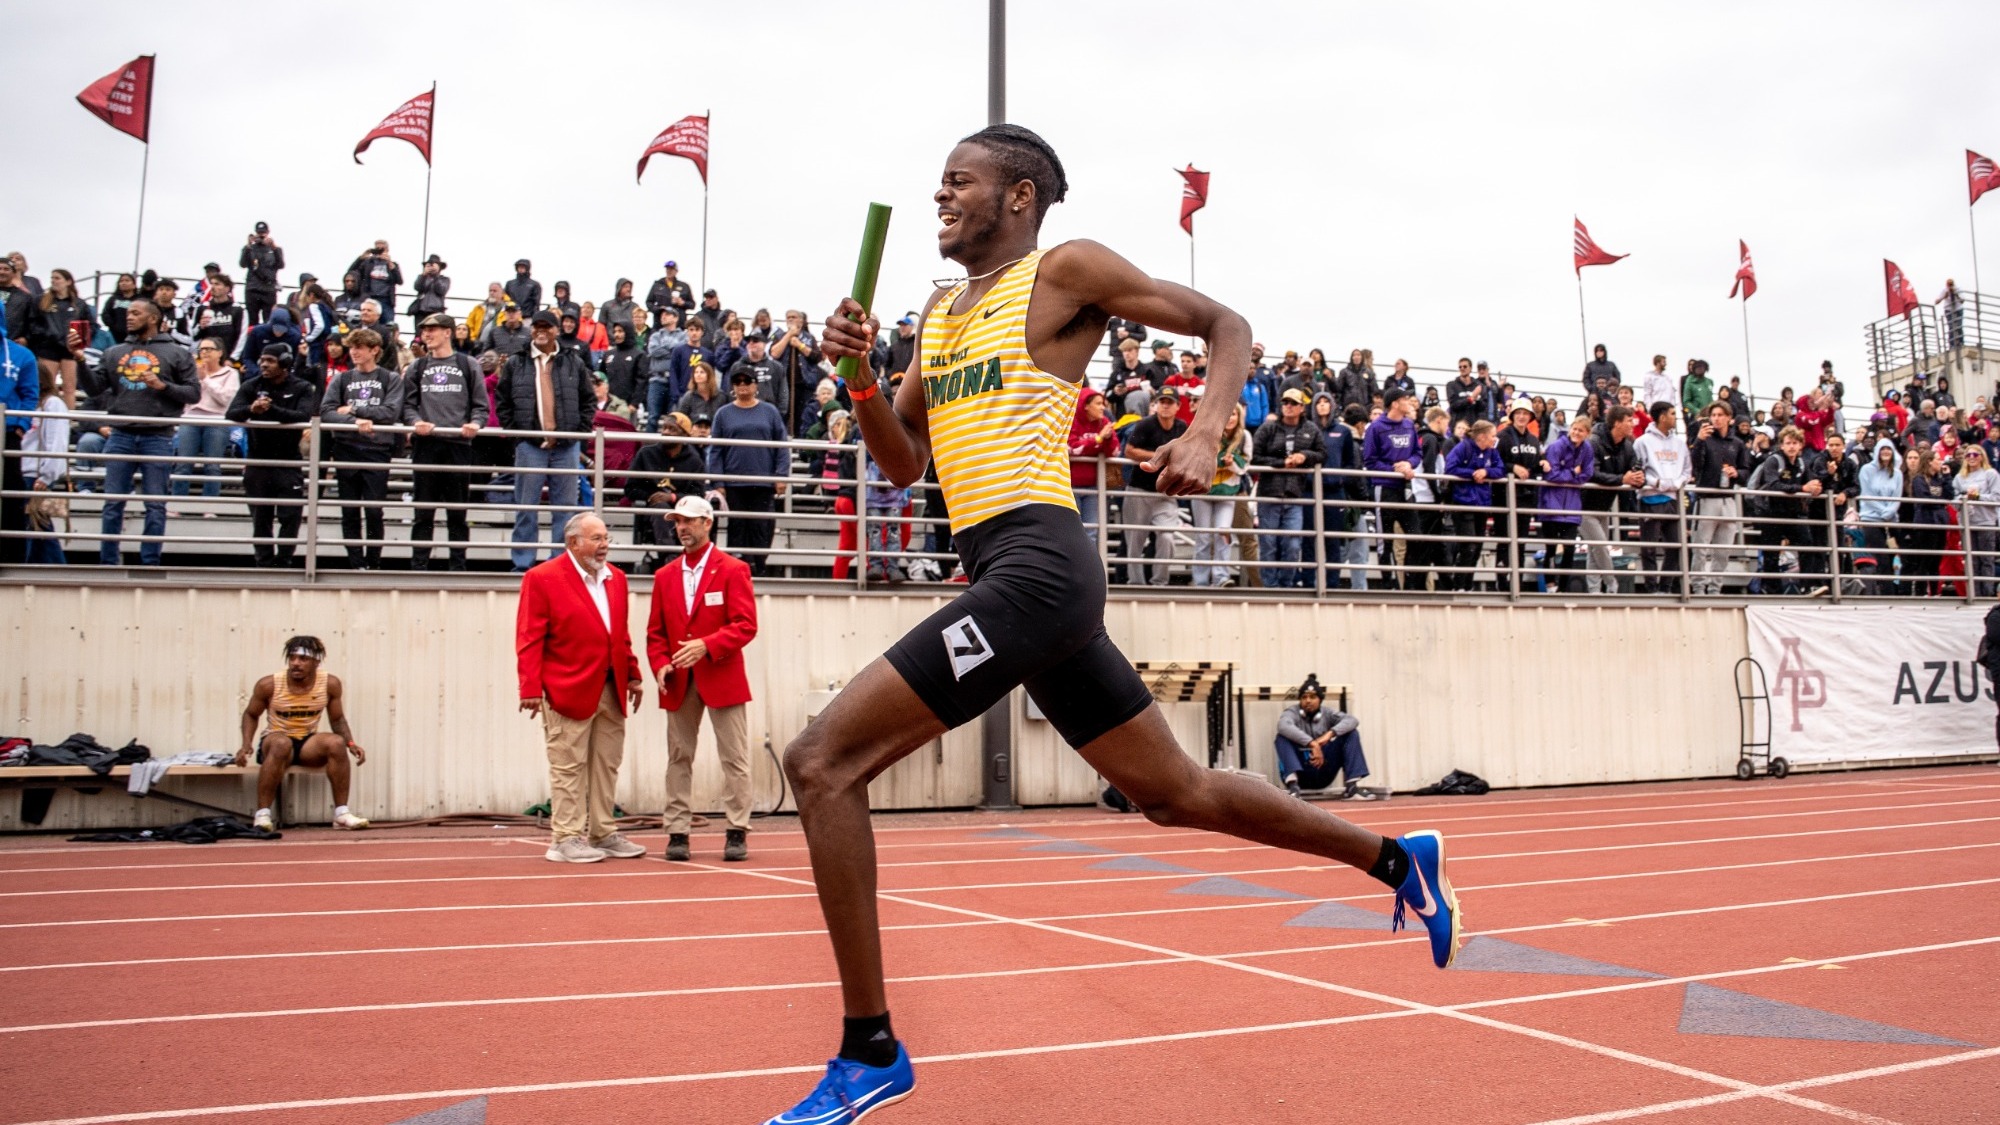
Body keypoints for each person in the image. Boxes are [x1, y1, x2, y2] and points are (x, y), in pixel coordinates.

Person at [776, 124, 1459, 1124]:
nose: (939, 198)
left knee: (820, 763)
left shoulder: (1064, 269)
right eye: (935, 187)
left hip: (1037, 566)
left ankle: (867, 1048)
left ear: (1019, 196)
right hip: (1012, 576)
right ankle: (1395, 858)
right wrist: (865, 380)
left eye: (958, 183)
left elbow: (1224, 323)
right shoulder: (936, 314)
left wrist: (1204, 425)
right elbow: (899, 465)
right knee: (1173, 793)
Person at [516, 513, 647, 863]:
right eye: (596, 538)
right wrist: (529, 687)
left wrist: (633, 673)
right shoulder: (541, 578)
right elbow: (529, 637)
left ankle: (603, 831)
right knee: (568, 765)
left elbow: (619, 633)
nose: (604, 545)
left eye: (606, 537)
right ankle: (566, 837)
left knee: (606, 764)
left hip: (611, 686)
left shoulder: (616, 579)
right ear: (573, 542)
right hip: (567, 688)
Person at [644, 495, 760, 861]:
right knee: (678, 757)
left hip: (721, 674)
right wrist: (660, 663)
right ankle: (677, 831)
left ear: (707, 523)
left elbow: (746, 625)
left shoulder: (732, 569)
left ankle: (737, 828)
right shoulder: (664, 576)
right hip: (678, 679)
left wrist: (707, 646)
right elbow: (655, 633)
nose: (681, 527)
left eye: (689, 521)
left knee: (734, 758)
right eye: (677, 521)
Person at [69, 300, 197, 565]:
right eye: (127, 313)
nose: (129, 317)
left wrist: (163, 386)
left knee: (155, 505)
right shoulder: (114, 351)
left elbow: (193, 393)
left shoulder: (177, 353)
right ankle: (108, 562)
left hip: (158, 436)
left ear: (153, 318)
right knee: (113, 503)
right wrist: (80, 360)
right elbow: (94, 389)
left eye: (136, 313)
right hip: (121, 435)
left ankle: (150, 563)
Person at [234, 636, 370, 831]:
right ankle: (262, 815)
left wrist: (351, 743)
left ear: (316, 662)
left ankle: (341, 814)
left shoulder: (329, 684)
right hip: (276, 740)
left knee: (336, 743)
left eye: (303, 659)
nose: (296, 663)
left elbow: (337, 719)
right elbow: (251, 714)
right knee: (282, 744)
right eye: (292, 658)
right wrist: (246, 744)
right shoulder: (269, 685)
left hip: (307, 743)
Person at [499, 311, 596, 572]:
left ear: (555, 330)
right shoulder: (515, 363)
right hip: (530, 446)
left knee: (565, 512)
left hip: (566, 447)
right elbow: (503, 401)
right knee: (525, 509)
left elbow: (588, 400)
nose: (540, 331)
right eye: (536, 327)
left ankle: (559, 566)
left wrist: (579, 431)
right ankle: (522, 565)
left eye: (546, 327)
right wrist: (518, 435)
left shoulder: (573, 361)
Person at [402, 313, 487, 570]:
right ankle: (418, 567)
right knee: (423, 512)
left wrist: (475, 424)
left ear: (448, 332)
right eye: (425, 330)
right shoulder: (417, 366)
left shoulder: (468, 364)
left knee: (457, 513)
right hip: (426, 444)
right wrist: (416, 422)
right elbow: (408, 406)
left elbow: (481, 406)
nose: (427, 334)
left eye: (433, 329)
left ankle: (458, 567)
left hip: (458, 445)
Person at [226, 345, 320, 568]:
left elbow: (303, 415)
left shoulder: (302, 387)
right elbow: (231, 413)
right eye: (261, 359)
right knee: (260, 517)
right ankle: (264, 563)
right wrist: (252, 409)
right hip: (258, 460)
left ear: (285, 363)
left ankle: (284, 560)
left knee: (291, 515)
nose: (264, 365)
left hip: (288, 460)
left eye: (270, 360)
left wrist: (271, 410)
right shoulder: (252, 385)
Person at [322, 329, 405, 570]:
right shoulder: (342, 379)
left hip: (377, 450)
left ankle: (374, 562)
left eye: (359, 347)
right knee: (349, 510)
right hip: (346, 448)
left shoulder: (390, 378)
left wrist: (356, 411)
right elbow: (327, 410)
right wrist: (353, 423)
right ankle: (355, 563)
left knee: (373, 510)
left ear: (374, 350)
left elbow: (391, 412)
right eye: (352, 348)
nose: (354, 352)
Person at [707, 365, 789, 576]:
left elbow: (781, 445)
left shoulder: (770, 412)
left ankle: (759, 567)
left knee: (762, 528)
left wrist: (781, 476)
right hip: (734, 483)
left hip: (763, 482)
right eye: (738, 382)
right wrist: (718, 482)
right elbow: (715, 450)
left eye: (747, 381)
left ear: (755, 385)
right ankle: (738, 570)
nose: (742, 386)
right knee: (737, 529)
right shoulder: (723, 414)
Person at [1250, 387, 1323, 588]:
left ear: (1302, 407)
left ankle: (1286, 584)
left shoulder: (1311, 429)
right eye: (1285, 403)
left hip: (1294, 494)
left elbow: (1322, 454)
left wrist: (1304, 456)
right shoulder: (1268, 428)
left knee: (1292, 544)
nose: (1288, 407)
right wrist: (1281, 463)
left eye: (1292, 403)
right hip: (1269, 493)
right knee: (1269, 544)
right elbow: (1254, 458)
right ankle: (1270, 587)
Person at [1121, 388, 1188, 586]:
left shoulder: (1181, 427)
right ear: (1156, 404)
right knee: (1135, 540)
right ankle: (1136, 583)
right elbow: (1129, 451)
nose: (1165, 405)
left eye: (1169, 402)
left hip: (1166, 492)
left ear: (1178, 406)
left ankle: (1160, 581)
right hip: (1139, 489)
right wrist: (1159, 456)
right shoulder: (1145, 424)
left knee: (1167, 536)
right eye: (1162, 401)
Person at [1274, 676, 1373, 799]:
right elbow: (1283, 725)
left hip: (1324, 771)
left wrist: (1328, 735)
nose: (1308, 700)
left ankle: (1352, 788)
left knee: (1351, 734)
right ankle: (1293, 788)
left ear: (1320, 700)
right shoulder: (1292, 712)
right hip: (1301, 775)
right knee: (1281, 738)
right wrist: (1312, 744)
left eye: (1313, 697)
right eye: (1304, 697)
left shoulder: (1328, 713)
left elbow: (1352, 720)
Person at [1687, 402, 1750, 596]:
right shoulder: (1704, 439)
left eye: (1720, 415)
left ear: (1729, 418)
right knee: (1701, 546)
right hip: (1706, 498)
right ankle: (1698, 587)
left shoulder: (1737, 443)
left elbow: (1747, 472)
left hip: (1728, 499)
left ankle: (1715, 588)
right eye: (1713, 414)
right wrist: (1698, 441)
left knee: (1723, 549)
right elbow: (1694, 465)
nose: (1716, 418)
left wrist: (1736, 473)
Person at [1362, 387, 1421, 589]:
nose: (1410, 402)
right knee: (1384, 541)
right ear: (1395, 403)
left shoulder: (1409, 425)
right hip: (1385, 488)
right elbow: (1369, 461)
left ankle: (1411, 585)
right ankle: (1388, 585)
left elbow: (1417, 453)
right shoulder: (1376, 428)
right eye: (1406, 399)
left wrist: (1409, 464)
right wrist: (1393, 470)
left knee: (1416, 536)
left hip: (1406, 489)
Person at [170, 339, 238, 504]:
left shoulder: (231, 373)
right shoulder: (190, 372)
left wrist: (206, 380)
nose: (205, 352)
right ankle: (177, 504)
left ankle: (209, 505)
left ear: (220, 353)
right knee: (183, 464)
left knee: (212, 466)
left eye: (209, 349)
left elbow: (227, 400)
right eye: (202, 349)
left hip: (217, 420)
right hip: (191, 418)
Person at [1582, 406, 1642, 594]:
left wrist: (1639, 478)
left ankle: (1594, 590)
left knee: (1594, 551)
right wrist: (1621, 480)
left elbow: (1635, 467)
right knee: (1600, 547)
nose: (1633, 424)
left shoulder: (1627, 445)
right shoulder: (1594, 442)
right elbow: (1593, 474)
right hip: (1584, 506)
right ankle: (1612, 583)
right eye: (1629, 420)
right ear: (1617, 423)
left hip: (1604, 506)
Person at [1634, 402, 1691, 594]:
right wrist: (1656, 483)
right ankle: (1651, 588)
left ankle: (1665, 587)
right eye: (1673, 413)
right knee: (1649, 548)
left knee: (1675, 546)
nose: (1676, 417)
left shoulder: (1680, 443)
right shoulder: (1642, 442)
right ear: (1662, 417)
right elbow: (1637, 470)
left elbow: (1687, 470)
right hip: (1650, 498)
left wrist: (1676, 483)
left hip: (1673, 500)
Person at [1443, 419, 1505, 590]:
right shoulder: (1464, 447)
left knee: (1477, 546)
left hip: (1482, 503)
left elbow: (1500, 469)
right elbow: (1450, 468)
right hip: (1463, 502)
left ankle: (1467, 584)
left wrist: (1486, 472)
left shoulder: (1492, 452)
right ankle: (1459, 584)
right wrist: (1472, 474)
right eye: (1493, 436)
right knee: (1468, 545)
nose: (1495, 439)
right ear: (1483, 436)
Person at [1192, 402, 1249, 587]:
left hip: (1228, 491)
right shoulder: (1208, 433)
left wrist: (1232, 463)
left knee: (1223, 532)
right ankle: (1200, 580)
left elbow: (1244, 467)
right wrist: (1221, 462)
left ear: (1239, 417)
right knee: (1203, 537)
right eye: (1227, 414)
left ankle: (1221, 577)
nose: (1230, 418)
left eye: (1234, 414)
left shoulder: (1244, 437)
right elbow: (1198, 458)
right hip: (1203, 489)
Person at [1068, 389, 1119, 547]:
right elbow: (1072, 448)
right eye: (1098, 404)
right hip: (1070, 488)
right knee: (1072, 531)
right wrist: (1098, 439)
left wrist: (1108, 439)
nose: (1103, 407)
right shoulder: (1072, 421)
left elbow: (1115, 451)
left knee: (1091, 532)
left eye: (1103, 404)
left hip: (1094, 487)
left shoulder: (1104, 423)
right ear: (1086, 406)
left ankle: (1085, 570)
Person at [1856, 438, 1903, 594]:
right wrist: (1884, 512)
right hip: (1871, 519)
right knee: (1881, 558)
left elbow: (1897, 495)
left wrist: (1889, 513)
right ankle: (1887, 594)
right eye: (1882, 449)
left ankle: (1898, 592)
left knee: (1895, 558)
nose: (1885, 452)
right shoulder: (1866, 469)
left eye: (1888, 449)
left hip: (1891, 520)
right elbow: (1866, 494)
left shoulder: (1897, 473)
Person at [239, 222, 285, 326]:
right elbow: (242, 264)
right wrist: (248, 246)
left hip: (268, 289)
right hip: (253, 288)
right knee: (251, 320)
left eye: (263, 233)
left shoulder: (274, 250)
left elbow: (281, 265)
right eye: (259, 233)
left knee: (269, 320)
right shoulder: (250, 249)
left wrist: (274, 248)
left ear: (268, 233)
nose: (261, 235)